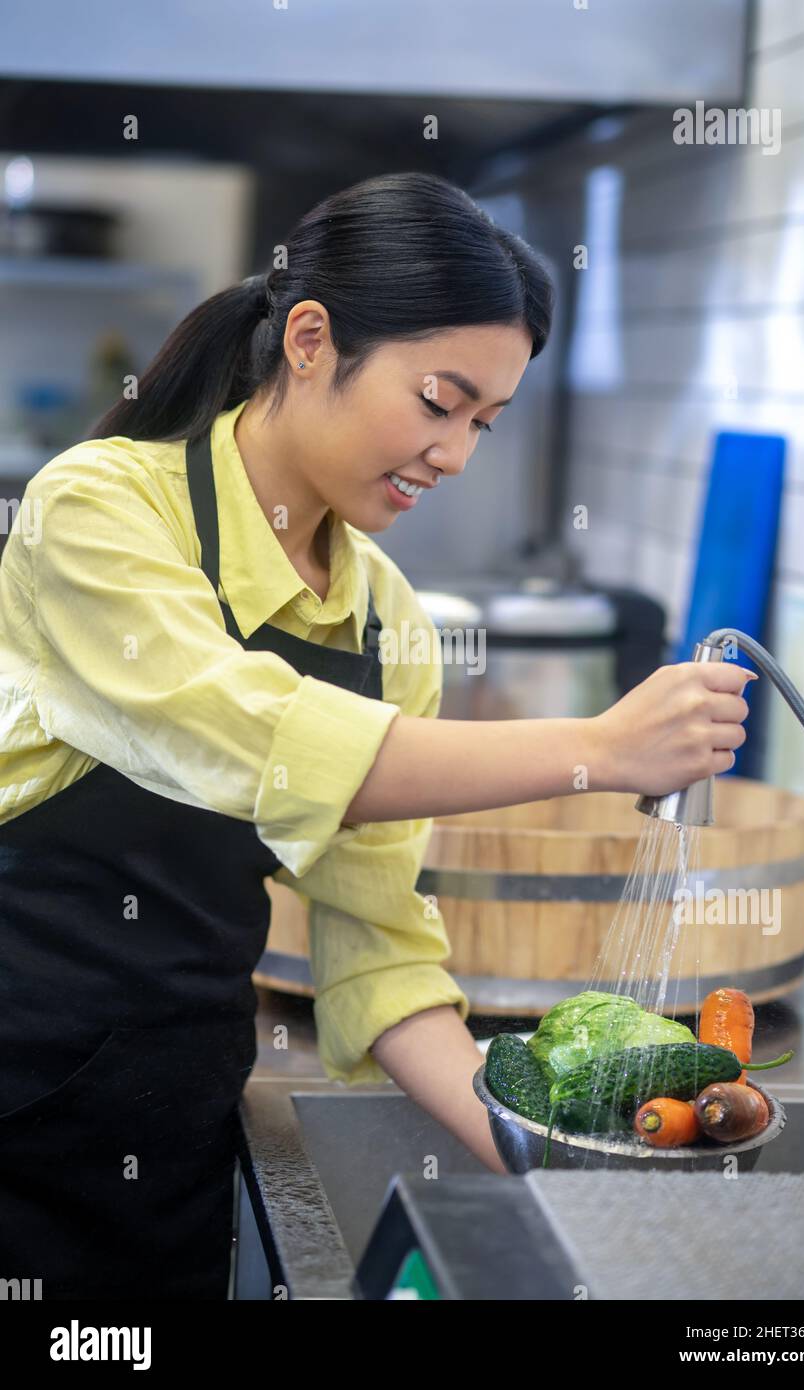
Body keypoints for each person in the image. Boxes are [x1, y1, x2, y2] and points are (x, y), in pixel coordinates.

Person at [0, 171, 753, 1300]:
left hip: (171, 1110)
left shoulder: (388, 618)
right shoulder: (99, 508)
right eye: (438, 401)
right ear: (310, 340)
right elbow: (249, 734)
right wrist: (600, 747)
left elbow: (382, 951)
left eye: (484, 423)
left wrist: (553, 1155)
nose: (456, 454)